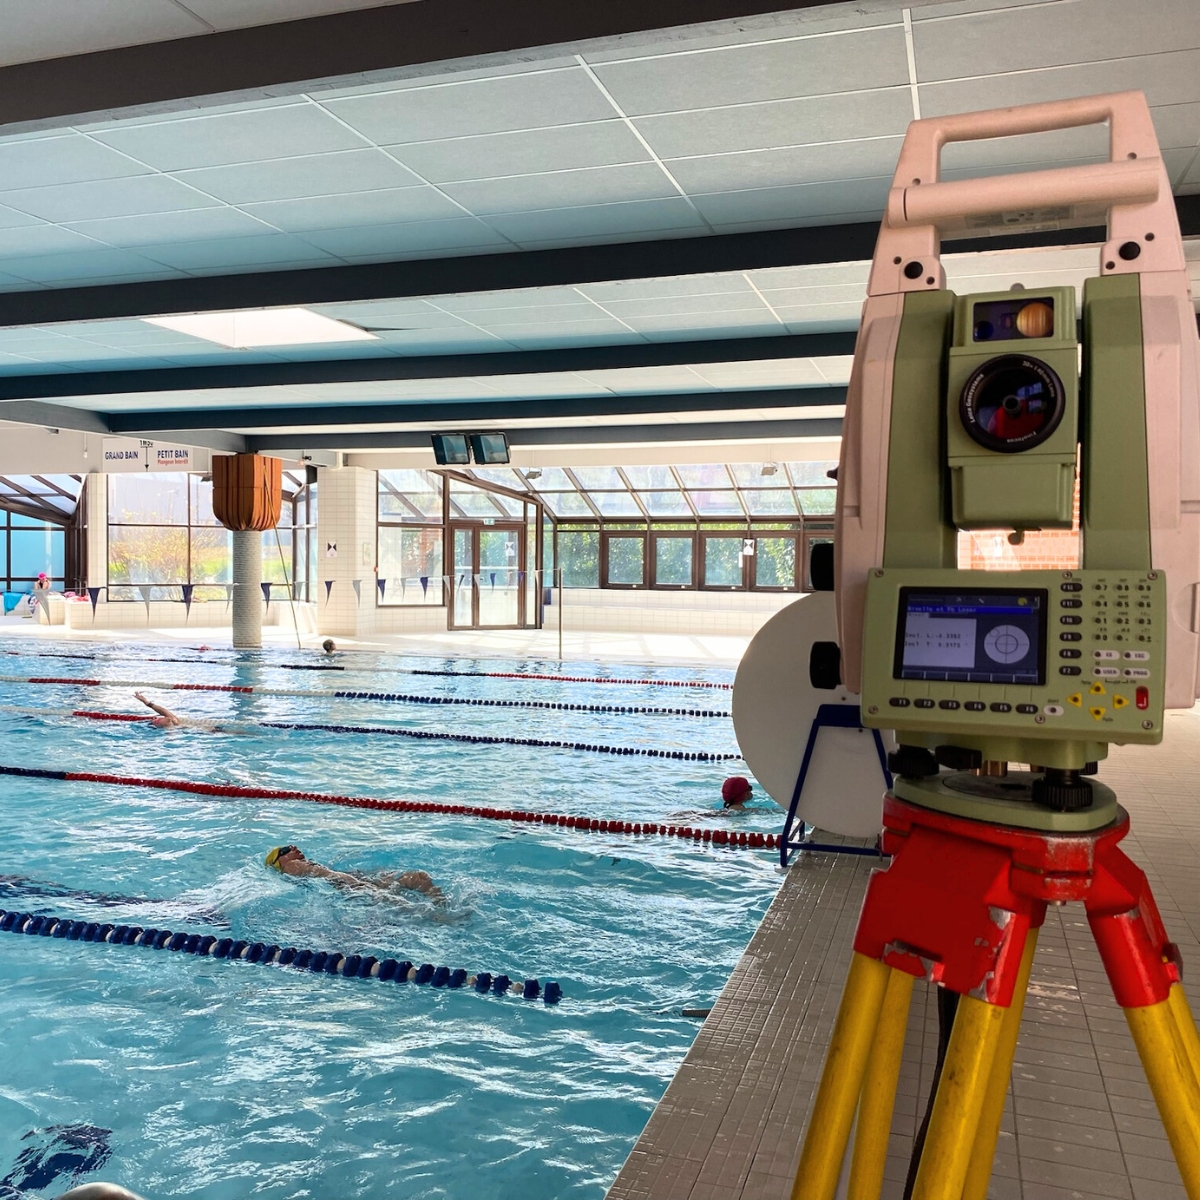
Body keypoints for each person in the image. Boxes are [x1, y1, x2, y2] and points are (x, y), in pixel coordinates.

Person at [265, 844, 444, 904]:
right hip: (350, 886)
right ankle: (439, 912)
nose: (294, 848)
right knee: (395, 898)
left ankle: (439, 910)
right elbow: (330, 876)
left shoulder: (301, 866)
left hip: (355, 882)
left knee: (418, 877)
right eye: (287, 849)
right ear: (279, 861)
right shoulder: (291, 866)